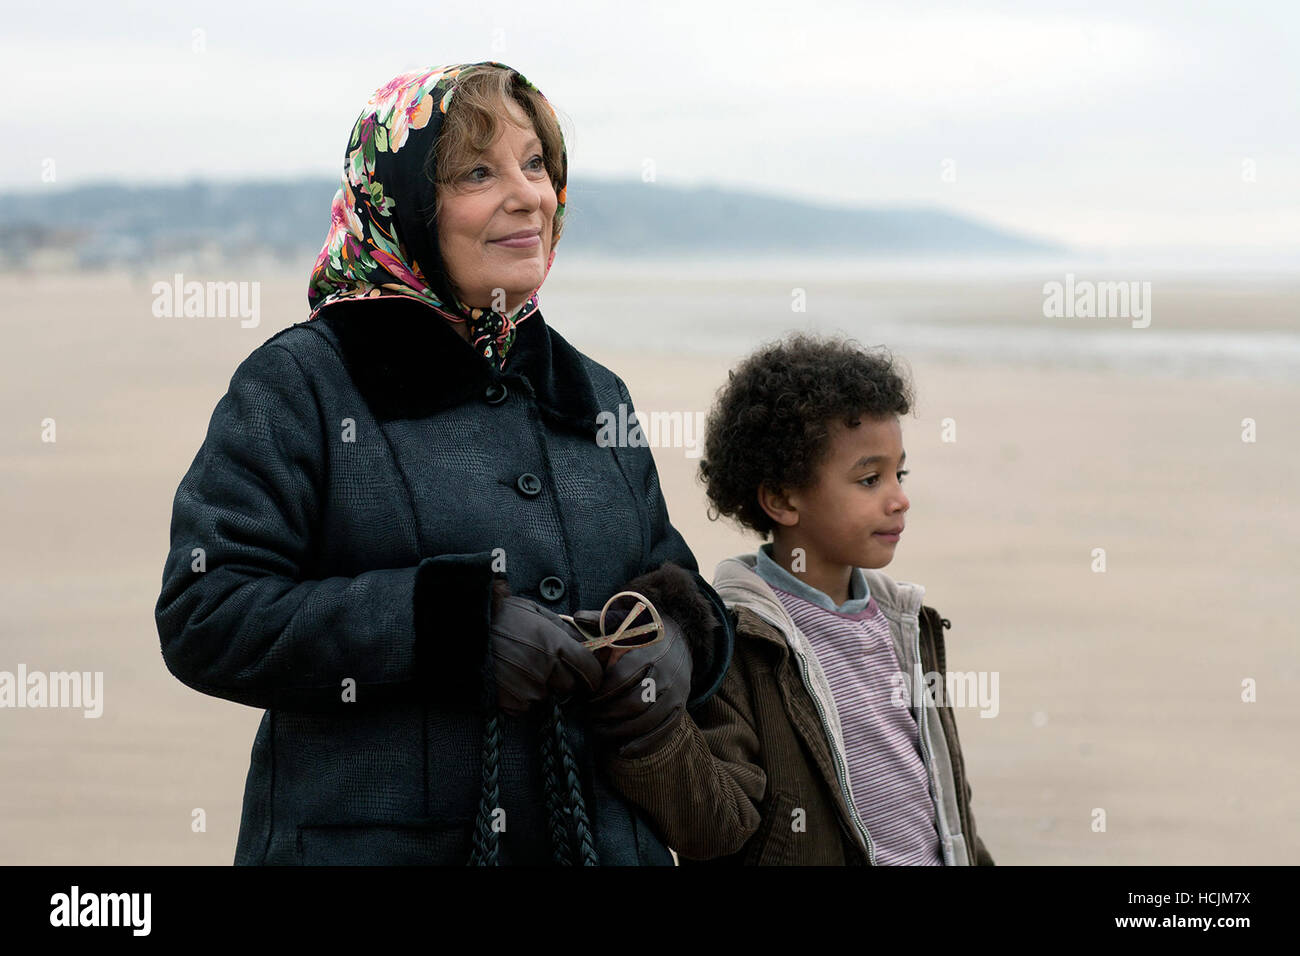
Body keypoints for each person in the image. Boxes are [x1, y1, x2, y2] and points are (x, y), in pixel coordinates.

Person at [154, 61, 732, 866]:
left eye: (537, 165)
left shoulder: (593, 392)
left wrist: (679, 640)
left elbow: (671, 572)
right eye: (477, 172)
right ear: (401, 206)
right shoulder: (303, 384)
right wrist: (448, 629)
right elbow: (206, 611)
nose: (528, 194)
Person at [601, 334, 995, 864]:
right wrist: (647, 726)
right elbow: (714, 827)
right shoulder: (739, 641)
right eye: (869, 478)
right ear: (784, 498)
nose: (899, 498)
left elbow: (946, 802)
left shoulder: (906, 624)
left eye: (900, 474)